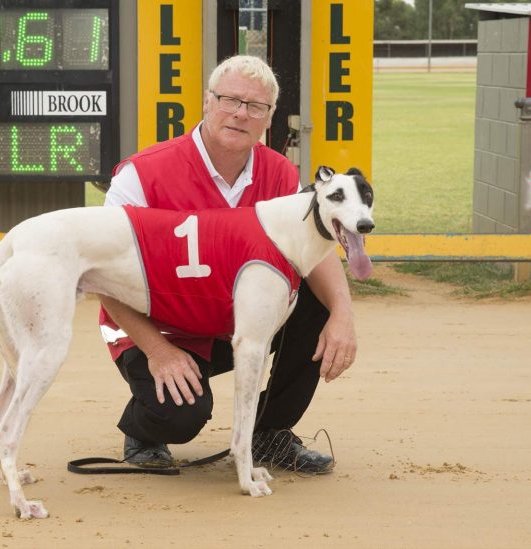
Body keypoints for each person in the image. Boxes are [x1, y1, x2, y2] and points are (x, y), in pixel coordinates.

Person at [99, 55, 358, 473]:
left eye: (256, 106)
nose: (240, 113)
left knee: (315, 299)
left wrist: (343, 313)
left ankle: (269, 432)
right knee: (180, 417)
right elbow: (103, 274)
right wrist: (157, 350)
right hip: (161, 326)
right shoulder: (142, 174)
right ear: (207, 102)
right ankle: (144, 430)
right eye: (230, 100)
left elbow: (317, 251)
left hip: (234, 322)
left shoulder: (281, 174)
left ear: (269, 118)